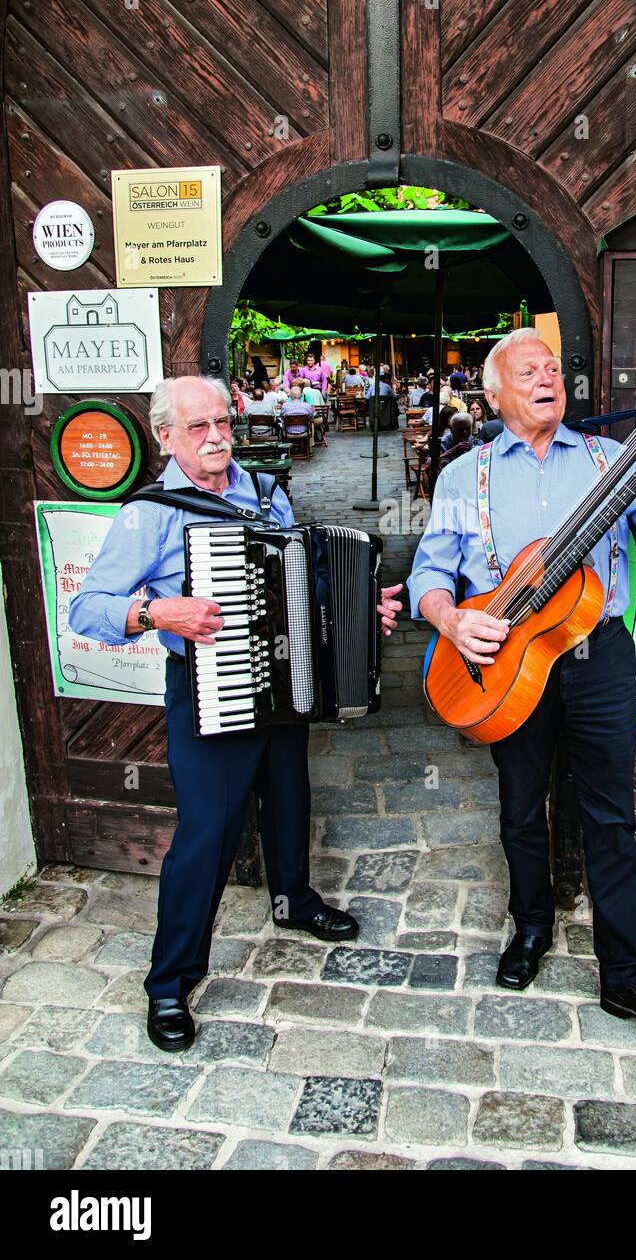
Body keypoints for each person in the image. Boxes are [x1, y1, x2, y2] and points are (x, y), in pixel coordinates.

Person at [68, 376, 404, 1050]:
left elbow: (301, 581)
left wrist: (360, 610)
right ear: (166, 436)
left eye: (223, 421)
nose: (218, 435)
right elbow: (85, 608)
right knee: (208, 835)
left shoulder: (264, 492)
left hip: (278, 681)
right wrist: (156, 610)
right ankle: (169, 983)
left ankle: (295, 902)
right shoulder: (151, 514)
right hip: (205, 688)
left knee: (288, 798)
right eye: (199, 427)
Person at [407, 329, 636, 1031]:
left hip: (597, 655)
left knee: (611, 817)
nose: (548, 377)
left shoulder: (613, 460)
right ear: (493, 394)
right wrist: (451, 621)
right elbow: (428, 572)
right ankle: (531, 929)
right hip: (506, 664)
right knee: (522, 808)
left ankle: (627, 977)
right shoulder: (466, 475)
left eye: (554, 368)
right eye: (528, 371)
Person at [301, 379, 329, 445]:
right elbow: (322, 405)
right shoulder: (317, 392)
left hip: (308, 418)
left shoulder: (301, 393)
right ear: (310, 384)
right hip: (319, 416)